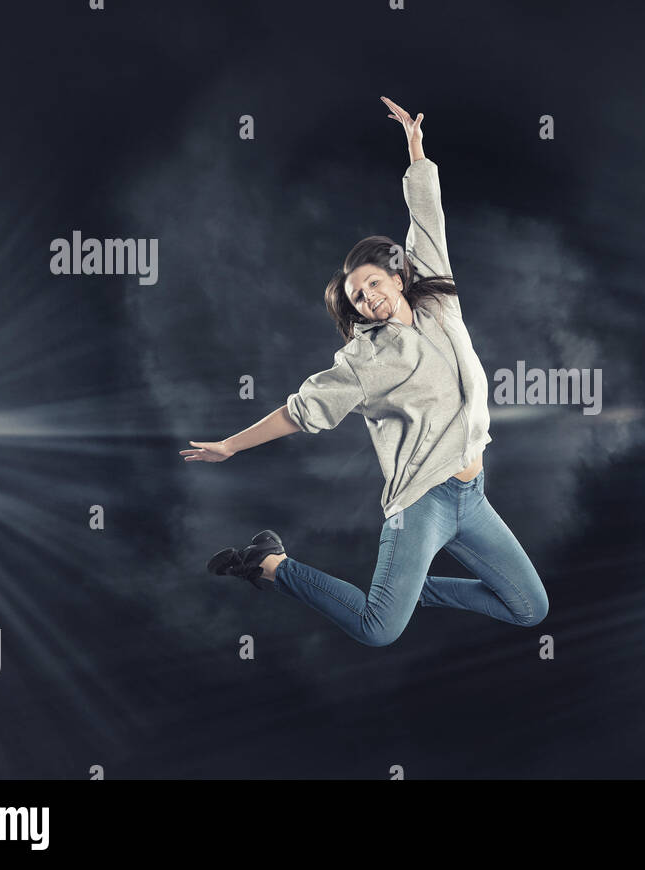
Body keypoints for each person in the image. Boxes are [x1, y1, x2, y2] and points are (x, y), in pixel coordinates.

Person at [180, 97, 548, 647]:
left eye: (374, 283)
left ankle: (406, 586)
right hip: (422, 500)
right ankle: (269, 564)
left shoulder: (438, 301)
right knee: (379, 629)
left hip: (473, 496)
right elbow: (300, 411)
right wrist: (230, 447)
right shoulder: (366, 359)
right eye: (356, 296)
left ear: (397, 277)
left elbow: (427, 216)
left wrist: (415, 148)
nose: (367, 297)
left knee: (528, 608)